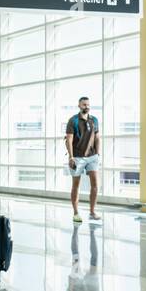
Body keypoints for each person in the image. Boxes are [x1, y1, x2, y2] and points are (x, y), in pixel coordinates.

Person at [65, 95, 100, 223]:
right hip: (77, 157)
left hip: (92, 157)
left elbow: (97, 138)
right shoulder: (73, 120)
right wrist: (71, 157)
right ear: (79, 105)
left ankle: (92, 212)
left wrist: (98, 154)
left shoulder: (94, 120)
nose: (87, 107)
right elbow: (69, 139)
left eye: (88, 104)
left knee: (95, 185)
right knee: (76, 185)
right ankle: (76, 212)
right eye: (84, 104)